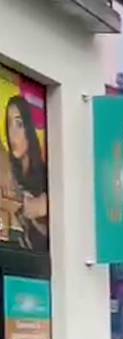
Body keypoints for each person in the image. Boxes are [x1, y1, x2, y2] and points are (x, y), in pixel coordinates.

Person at [4, 96, 49, 249]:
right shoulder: (7, 171)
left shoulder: (47, 176)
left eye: (19, 124)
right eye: (9, 124)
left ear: (29, 128)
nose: (12, 133)